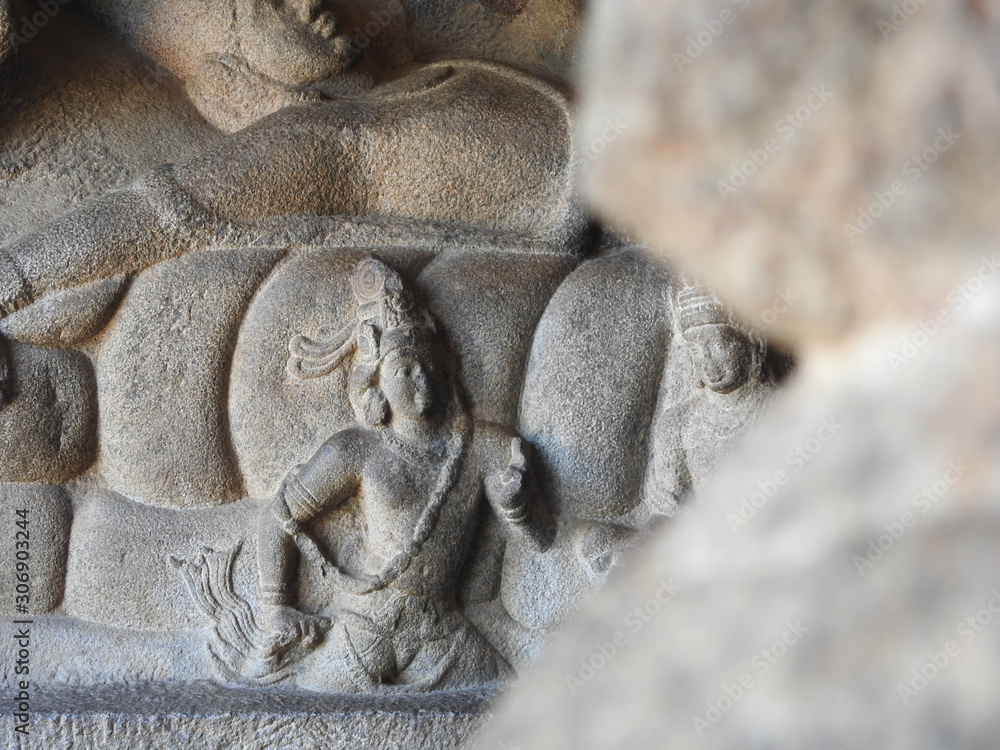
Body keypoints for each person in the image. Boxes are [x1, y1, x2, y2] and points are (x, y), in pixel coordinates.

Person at [249, 256, 553, 690]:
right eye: (404, 371)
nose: (421, 383)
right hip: (365, 626)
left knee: (504, 697)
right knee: (315, 710)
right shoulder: (356, 450)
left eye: (428, 367)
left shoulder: (486, 447)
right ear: (375, 382)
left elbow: (541, 541)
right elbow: (277, 517)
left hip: (439, 631)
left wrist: (517, 510)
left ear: (445, 370)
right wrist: (275, 605)